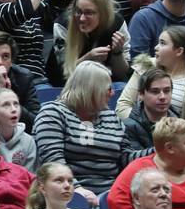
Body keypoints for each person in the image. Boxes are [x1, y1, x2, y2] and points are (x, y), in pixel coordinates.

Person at [34, 60, 145, 195]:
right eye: (108, 89)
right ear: (91, 89)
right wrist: (77, 189)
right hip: (68, 195)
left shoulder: (111, 117)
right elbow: (53, 162)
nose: (112, 94)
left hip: (112, 194)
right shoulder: (52, 113)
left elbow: (126, 159)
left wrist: (157, 152)